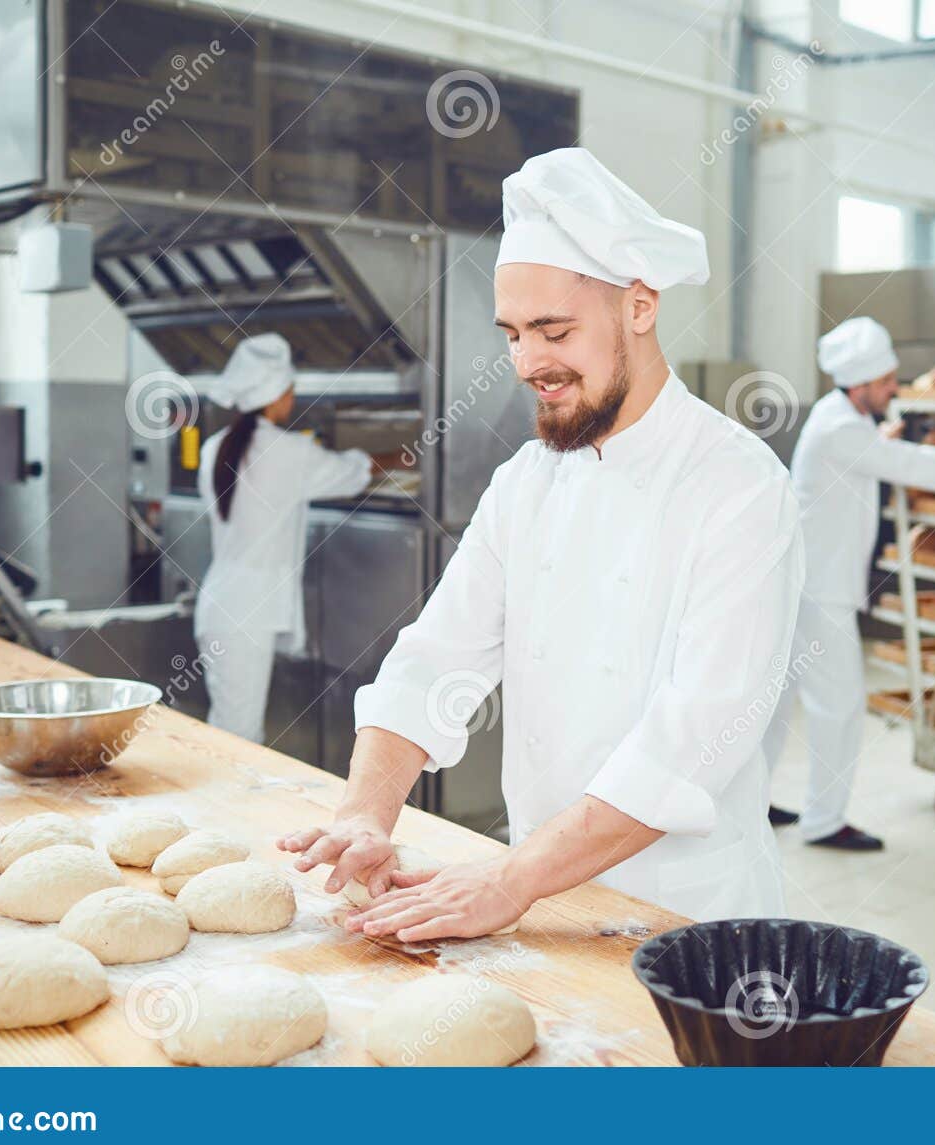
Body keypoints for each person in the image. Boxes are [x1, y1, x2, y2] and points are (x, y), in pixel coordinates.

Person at [276, 147, 804, 940]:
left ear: (639, 306)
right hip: (544, 902)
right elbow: (436, 659)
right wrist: (365, 811)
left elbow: (692, 743)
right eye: (514, 334)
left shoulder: (738, 486)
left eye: (554, 330)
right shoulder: (528, 480)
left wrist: (507, 880)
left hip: (692, 922)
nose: (529, 363)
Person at [763, 318, 935, 849]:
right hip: (822, 589)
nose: (894, 390)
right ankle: (825, 821)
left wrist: (879, 440)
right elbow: (906, 463)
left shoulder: (838, 419)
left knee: (775, 700)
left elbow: (875, 453)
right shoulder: (842, 429)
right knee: (839, 704)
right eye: (886, 382)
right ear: (859, 386)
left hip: (802, 582)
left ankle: (750, 805)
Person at [194, 333, 378, 744]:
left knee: (230, 727)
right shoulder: (285, 451)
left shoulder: (215, 448)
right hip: (245, 614)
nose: (292, 399)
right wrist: (397, 455)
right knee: (238, 736)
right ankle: (233, 808)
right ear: (276, 396)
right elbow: (348, 472)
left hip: (223, 603)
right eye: (291, 391)